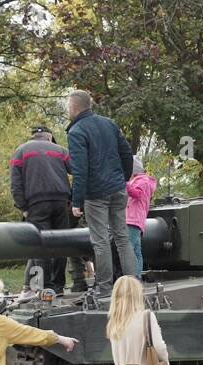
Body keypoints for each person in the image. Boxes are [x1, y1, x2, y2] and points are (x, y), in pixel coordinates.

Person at [66, 89, 137, 296]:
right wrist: (122, 179)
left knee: (101, 240)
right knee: (122, 238)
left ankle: (104, 288)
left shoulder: (76, 131)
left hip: (95, 193)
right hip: (117, 188)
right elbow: (126, 153)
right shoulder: (109, 123)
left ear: (73, 107)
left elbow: (80, 169)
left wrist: (76, 201)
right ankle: (132, 284)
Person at [10, 126, 73, 300]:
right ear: (49, 137)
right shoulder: (61, 150)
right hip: (61, 201)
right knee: (62, 243)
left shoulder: (20, 151)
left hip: (36, 203)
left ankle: (46, 287)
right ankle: (59, 285)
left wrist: (23, 207)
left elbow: (16, 183)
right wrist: (73, 197)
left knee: (40, 245)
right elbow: (79, 171)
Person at [125, 156, 157, 277]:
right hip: (133, 219)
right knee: (136, 250)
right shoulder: (140, 181)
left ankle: (132, 277)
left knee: (128, 249)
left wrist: (125, 183)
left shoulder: (143, 181)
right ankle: (136, 276)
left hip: (134, 219)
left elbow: (136, 194)